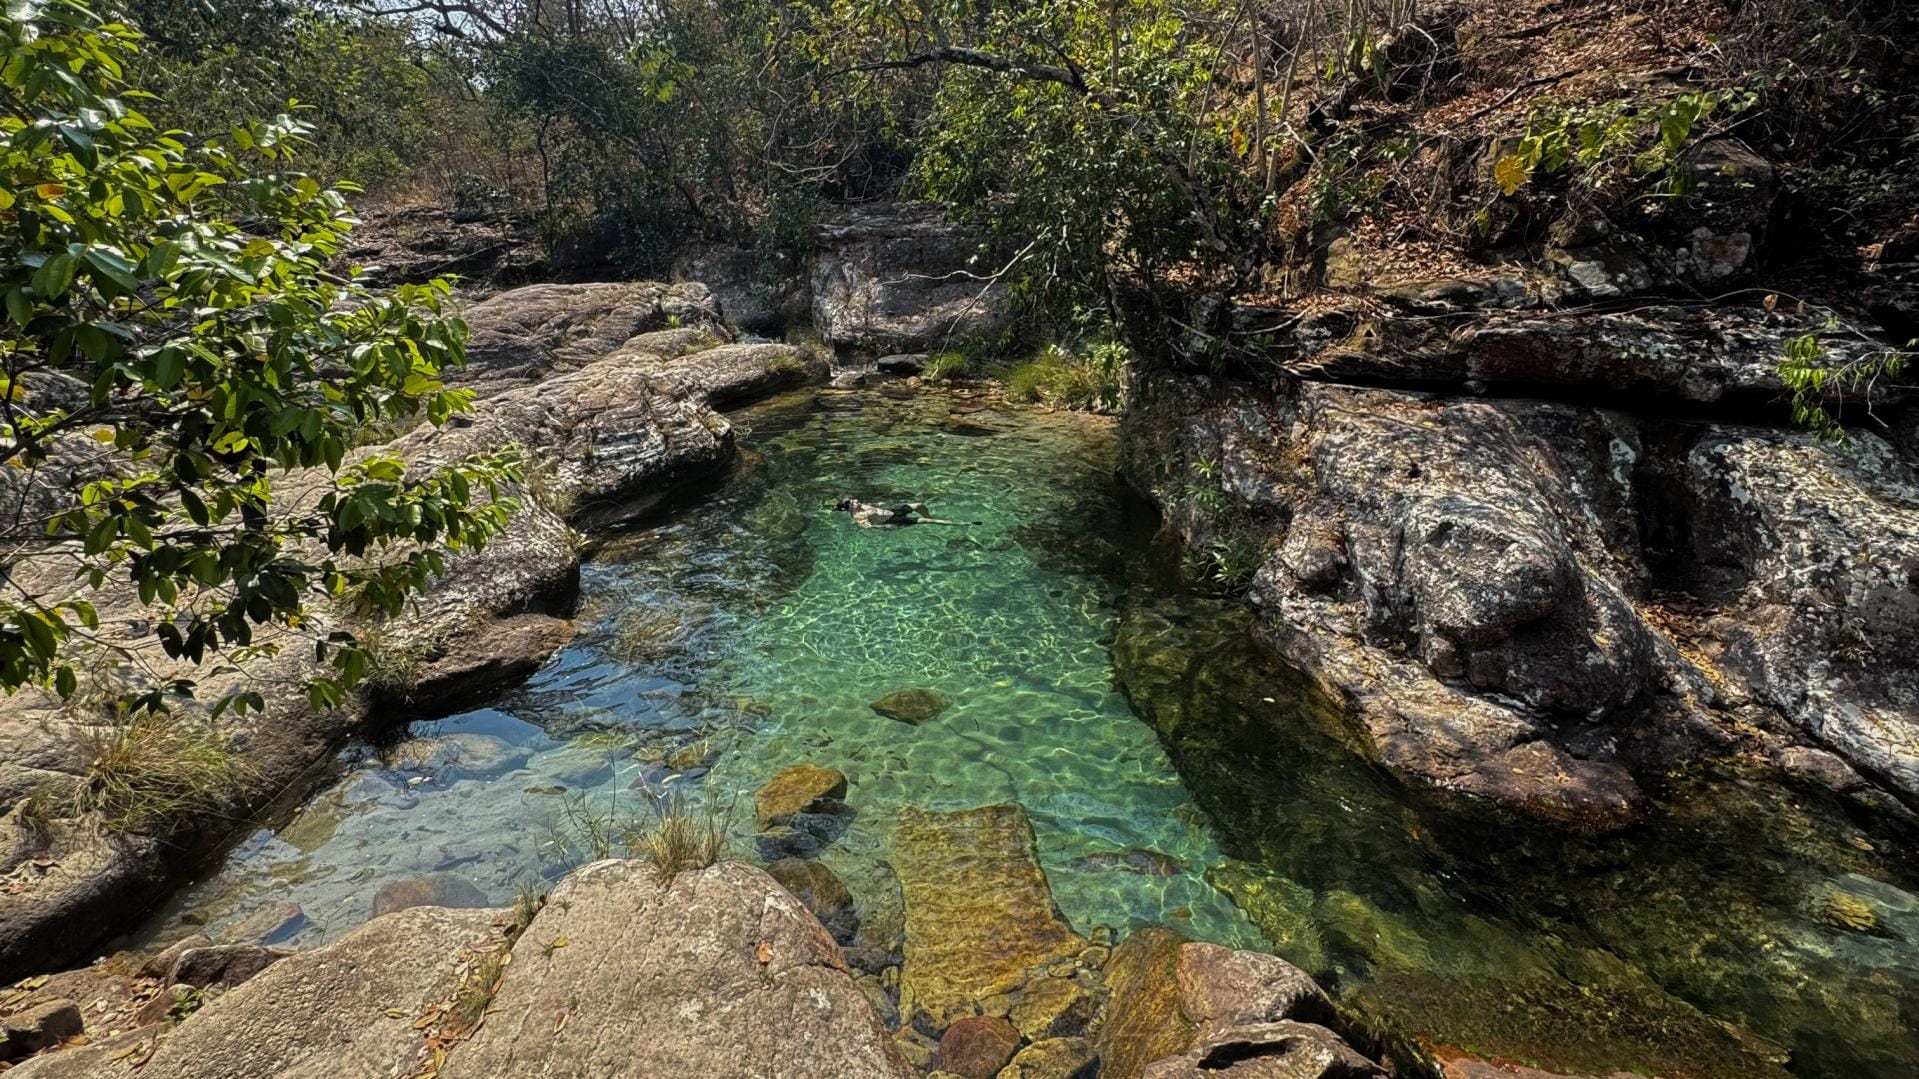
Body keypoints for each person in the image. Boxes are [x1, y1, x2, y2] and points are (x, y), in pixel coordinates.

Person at [834, 498, 966, 528]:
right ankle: (960, 524)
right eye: (852, 502)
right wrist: (887, 527)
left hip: (892, 511)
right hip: (892, 520)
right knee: (927, 522)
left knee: (918, 505)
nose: (855, 500)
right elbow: (868, 527)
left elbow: (875, 508)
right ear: (850, 509)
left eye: (853, 500)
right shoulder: (858, 516)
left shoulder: (861, 505)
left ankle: (929, 516)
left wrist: (880, 504)